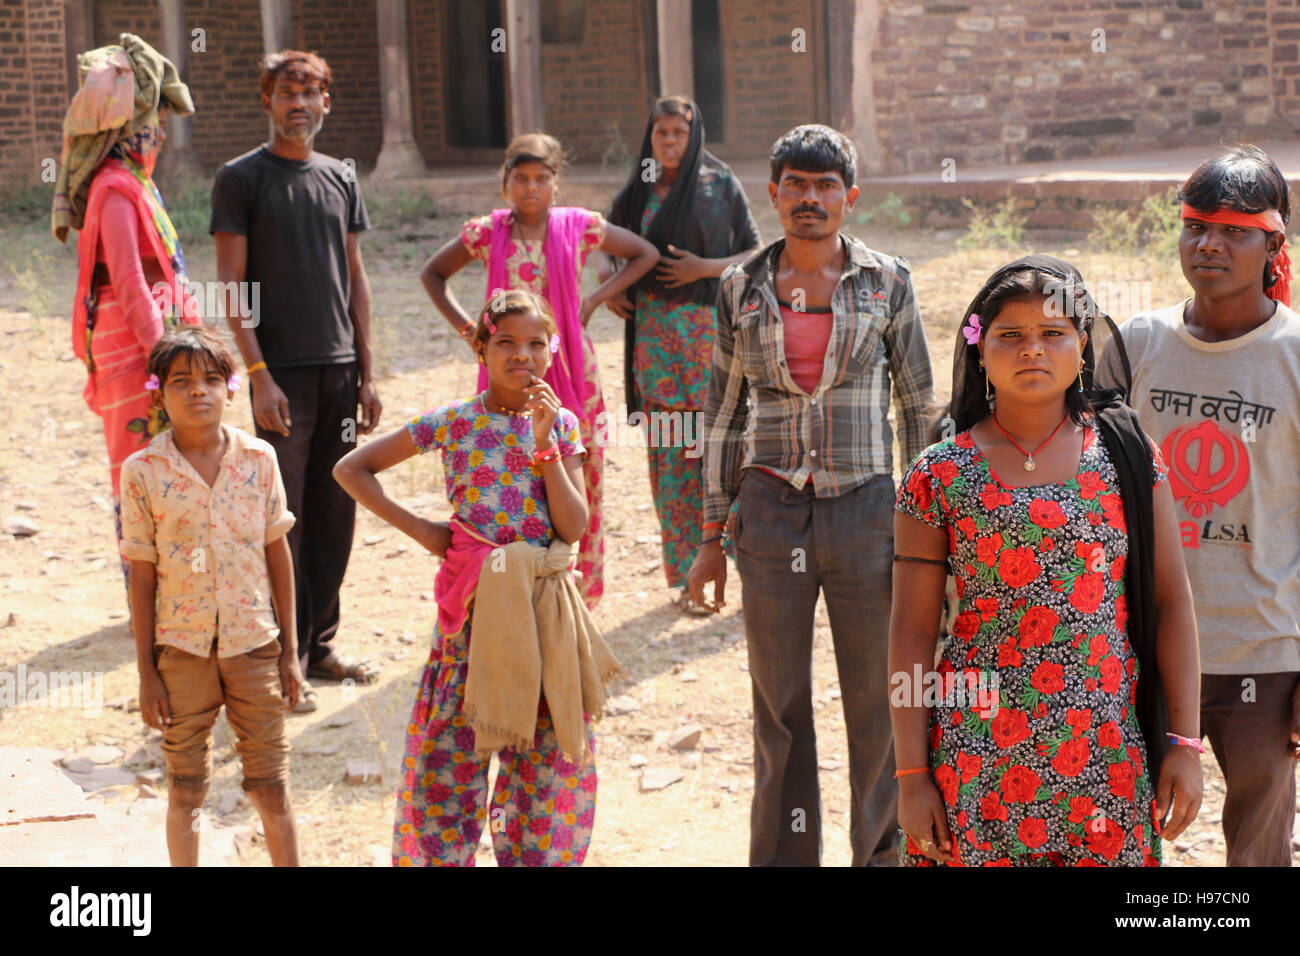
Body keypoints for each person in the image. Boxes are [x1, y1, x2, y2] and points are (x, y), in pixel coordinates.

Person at [890, 256, 1203, 866]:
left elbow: (1172, 603)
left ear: (1082, 345)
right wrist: (909, 774)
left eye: (1053, 333)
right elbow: (910, 630)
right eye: (1010, 335)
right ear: (979, 350)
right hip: (976, 758)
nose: (1032, 349)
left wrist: (1185, 746)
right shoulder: (938, 474)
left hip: (1105, 754)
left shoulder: (1130, 457)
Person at [688, 125, 935, 866]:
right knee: (780, 710)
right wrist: (709, 537)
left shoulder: (887, 282)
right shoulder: (741, 287)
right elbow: (725, 413)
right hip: (770, 514)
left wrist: (924, 532)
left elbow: (919, 406)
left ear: (849, 198)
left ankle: (882, 858)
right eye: (795, 184)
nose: (810, 199)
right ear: (773, 194)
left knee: (879, 707)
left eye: (826, 186)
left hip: (867, 512)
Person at [333, 290, 622, 866]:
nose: (523, 356)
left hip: (542, 614)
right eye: (506, 343)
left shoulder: (560, 424)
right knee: (452, 754)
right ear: (480, 347)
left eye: (536, 343)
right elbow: (352, 467)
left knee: (542, 755)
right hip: (471, 615)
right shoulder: (456, 422)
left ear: (553, 348)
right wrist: (424, 531)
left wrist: (544, 446)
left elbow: (574, 523)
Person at [1097, 145, 1300, 866]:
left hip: (1265, 653)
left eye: (1233, 231)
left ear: (1273, 242)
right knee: (1122, 836)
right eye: (1194, 227)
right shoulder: (1136, 344)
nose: (1208, 245)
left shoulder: (1295, 357)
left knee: (1259, 850)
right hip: (1140, 644)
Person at [421, 132, 658, 610]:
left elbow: (644, 253)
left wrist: (593, 299)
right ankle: (517, 592)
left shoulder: (579, 226)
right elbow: (433, 274)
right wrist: (473, 331)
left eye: (542, 179)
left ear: (556, 183)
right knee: (511, 469)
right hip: (507, 365)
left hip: (569, 364)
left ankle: (576, 598)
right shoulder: (486, 233)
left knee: (579, 471)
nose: (531, 188)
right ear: (505, 182)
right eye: (521, 178)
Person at [211, 50, 381, 713]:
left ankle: (321, 646)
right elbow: (234, 284)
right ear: (268, 100)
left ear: (326, 104)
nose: (300, 103)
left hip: (340, 371)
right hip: (280, 376)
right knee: (283, 519)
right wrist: (256, 374)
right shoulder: (241, 178)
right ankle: (284, 656)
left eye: (313, 92)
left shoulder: (341, 177)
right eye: (288, 92)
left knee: (336, 509)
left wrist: (368, 370)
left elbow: (357, 277)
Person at [120, 326, 302, 866]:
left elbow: (278, 554)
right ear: (160, 393)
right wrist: (146, 672)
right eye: (182, 381)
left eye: (211, 380)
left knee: (270, 784)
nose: (198, 391)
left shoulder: (259, 459)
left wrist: (290, 651)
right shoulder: (143, 473)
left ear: (230, 388)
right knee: (186, 787)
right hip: (181, 652)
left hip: (254, 646)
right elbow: (142, 575)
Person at [53, 33, 201, 591]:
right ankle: (148, 594)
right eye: (154, 119)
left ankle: (173, 588)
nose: (160, 132)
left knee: (171, 465)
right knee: (141, 473)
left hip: (154, 350)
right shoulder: (116, 190)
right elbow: (132, 282)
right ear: (127, 128)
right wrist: (167, 359)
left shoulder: (134, 184)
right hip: (137, 357)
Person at [603, 95, 761, 611]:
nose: (669, 142)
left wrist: (705, 269)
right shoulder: (638, 189)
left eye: (678, 133)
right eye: (660, 133)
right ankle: (682, 579)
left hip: (711, 344)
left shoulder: (720, 186)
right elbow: (605, 249)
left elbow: (756, 254)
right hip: (655, 350)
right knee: (670, 461)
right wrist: (611, 287)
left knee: (719, 454)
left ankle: (738, 569)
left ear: (695, 135)